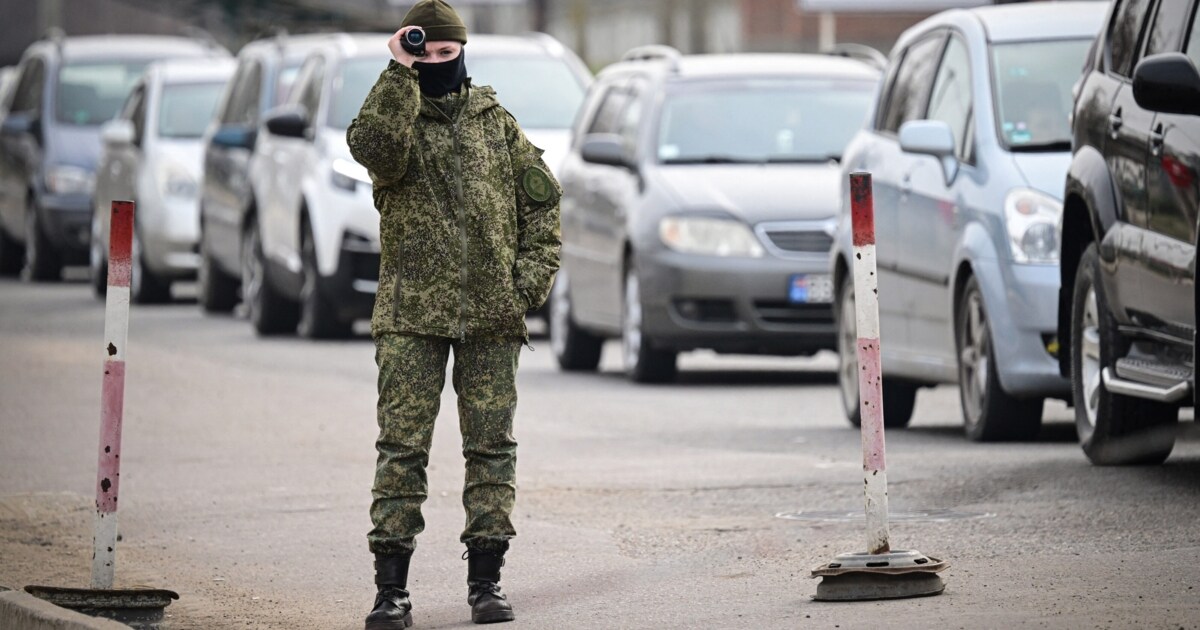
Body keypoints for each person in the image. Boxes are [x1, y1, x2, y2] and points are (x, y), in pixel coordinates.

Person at [346, 1, 561, 627]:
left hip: (491, 318)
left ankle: (486, 582)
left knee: (491, 450)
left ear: (464, 53)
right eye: (426, 53)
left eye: (447, 54)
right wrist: (398, 71)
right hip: (412, 315)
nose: (438, 63)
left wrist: (526, 286)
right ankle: (391, 592)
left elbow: (543, 207)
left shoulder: (496, 125)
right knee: (402, 450)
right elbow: (374, 150)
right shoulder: (396, 119)